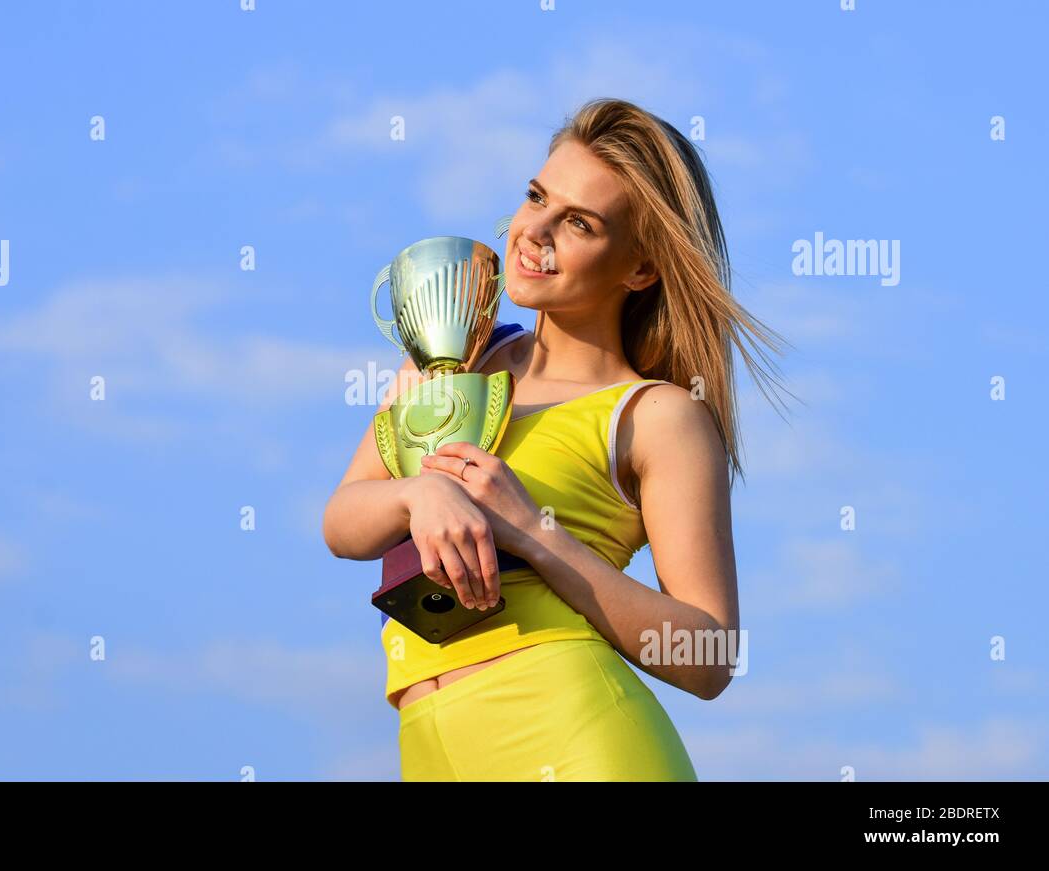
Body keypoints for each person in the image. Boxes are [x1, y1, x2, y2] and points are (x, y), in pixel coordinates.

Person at [322, 98, 795, 781]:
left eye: (579, 223)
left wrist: (532, 532)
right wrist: (418, 495)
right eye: (536, 197)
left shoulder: (657, 415)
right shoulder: (451, 362)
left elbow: (709, 654)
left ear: (639, 269)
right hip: (431, 751)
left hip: (580, 744)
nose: (533, 231)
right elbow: (342, 522)